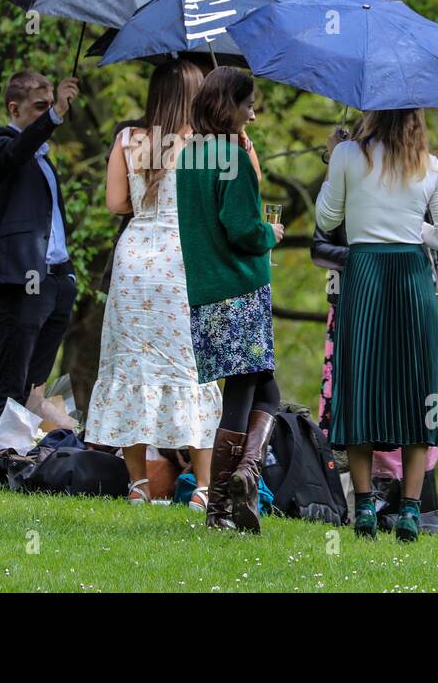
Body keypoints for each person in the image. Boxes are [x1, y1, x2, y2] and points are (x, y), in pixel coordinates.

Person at [316, 108, 438, 541]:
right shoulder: (433, 168)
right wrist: (413, 228)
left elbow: (327, 220)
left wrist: (334, 163)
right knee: (418, 389)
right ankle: (413, 512)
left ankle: (363, 508)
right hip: (413, 280)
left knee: (359, 382)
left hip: (362, 275)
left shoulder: (346, 154)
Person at [85, 60, 223, 508]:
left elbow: (116, 203)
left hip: (134, 262)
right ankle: (203, 486)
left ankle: (138, 484)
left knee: (130, 366)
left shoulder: (129, 140)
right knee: (192, 367)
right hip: (182, 260)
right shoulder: (208, 146)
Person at [176, 67, 284, 533]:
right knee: (242, 394)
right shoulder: (232, 158)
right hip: (240, 288)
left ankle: (240, 479)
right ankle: (223, 503)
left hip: (206, 289)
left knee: (265, 390)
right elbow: (241, 228)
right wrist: (270, 232)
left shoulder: (189, 157)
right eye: (249, 105)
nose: (253, 115)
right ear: (229, 105)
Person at [312, 222, 438, 535]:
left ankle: (413, 506)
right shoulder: (343, 186)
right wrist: (365, 258)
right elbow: (319, 246)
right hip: (360, 295)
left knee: (412, 397)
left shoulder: (424, 176)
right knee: (364, 397)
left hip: (406, 292)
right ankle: (369, 503)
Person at [0, 70, 80, 423]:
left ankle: (23, 456)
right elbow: (15, 153)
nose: (50, 112)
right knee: (11, 380)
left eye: (51, 106)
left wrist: (68, 278)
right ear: (15, 108)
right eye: (40, 107)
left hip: (55, 281)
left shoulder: (44, 161)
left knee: (36, 384)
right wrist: (53, 119)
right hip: (21, 278)